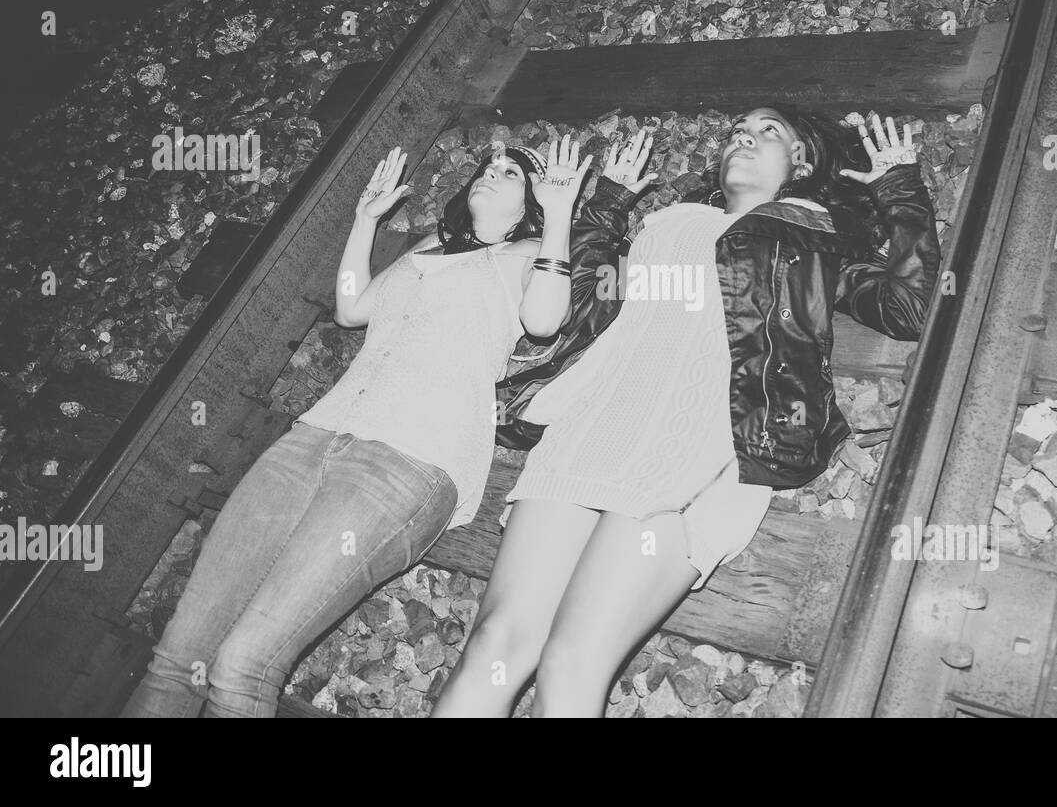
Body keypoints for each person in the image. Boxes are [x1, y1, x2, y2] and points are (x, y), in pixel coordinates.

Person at [433, 106, 941, 718]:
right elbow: (585, 302)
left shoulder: (814, 239)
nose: (744, 136)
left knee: (572, 660)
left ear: (802, 160)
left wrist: (900, 188)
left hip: (694, 451)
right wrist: (609, 203)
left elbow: (907, 306)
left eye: (768, 130)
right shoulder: (666, 225)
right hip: (589, 432)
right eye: (737, 131)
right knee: (495, 644)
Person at [122, 136, 603, 717]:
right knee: (177, 656)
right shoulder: (429, 247)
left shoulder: (529, 254)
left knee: (242, 667)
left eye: (510, 173)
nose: (491, 174)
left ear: (529, 204)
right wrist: (364, 221)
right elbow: (352, 309)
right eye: (488, 167)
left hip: (407, 460)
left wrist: (557, 217)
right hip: (311, 439)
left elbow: (546, 319)